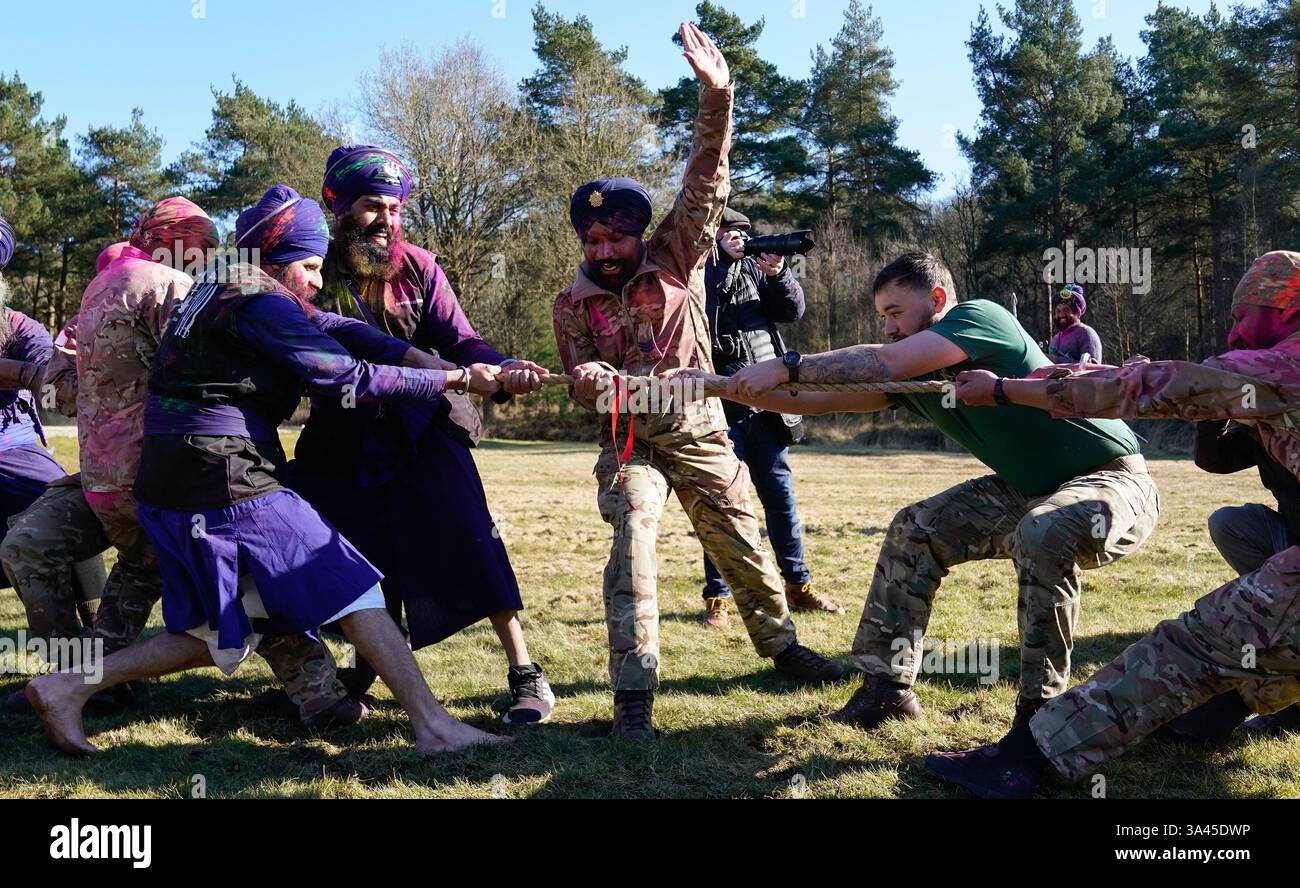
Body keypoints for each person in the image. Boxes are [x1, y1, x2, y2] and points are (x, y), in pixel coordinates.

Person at [24, 193, 510, 756]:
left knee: (225, 628)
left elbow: (327, 323)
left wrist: (417, 357)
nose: (316, 279)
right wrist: (452, 383)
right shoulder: (260, 302)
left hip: (175, 478)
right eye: (309, 266)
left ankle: (65, 685)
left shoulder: (223, 284)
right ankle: (434, 727)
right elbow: (347, 379)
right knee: (356, 586)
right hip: (225, 475)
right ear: (277, 261)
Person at [712, 250, 1160, 730]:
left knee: (1044, 530)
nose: (887, 328)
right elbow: (819, 401)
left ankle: (1040, 715)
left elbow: (883, 361)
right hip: (1029, 492)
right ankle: (886, 691)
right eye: (882, 316)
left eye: (895, 313)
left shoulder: (981, 317)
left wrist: (787, 364)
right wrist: (719, 386)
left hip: (1113, 479)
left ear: (938, 300)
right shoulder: (914, 374)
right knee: (915, 529)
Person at [553, 22, 841, 740]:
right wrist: (593, 379)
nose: (605, 249)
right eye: (593, 240)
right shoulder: (571, 303)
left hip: (700, 429)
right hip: (629, 443)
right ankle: (634, 696)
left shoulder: (677, 254)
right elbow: (579, 379)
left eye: (617, 236)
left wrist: (718, 97)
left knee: (742, 539)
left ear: (639, 235)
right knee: (633, 539)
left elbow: (706, 179)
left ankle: (782, 648)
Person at [923, 250, 1300, 798]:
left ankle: (1031, 754)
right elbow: (1163, 390)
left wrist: (1006, 389)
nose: (1236, 330)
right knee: (1256, 637)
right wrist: (1079, 375)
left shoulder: (1287, 366)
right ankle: (1224, 712)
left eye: (1245, 317)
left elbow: (1151, 387)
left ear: (1284, 309)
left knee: (1192, 644)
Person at [4, 197, 360, 727]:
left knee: (231, 581)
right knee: (31, 547)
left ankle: (319, 693)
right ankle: (76, 678)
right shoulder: (115, 286)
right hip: (110, 478)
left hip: (172, 477)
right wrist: (55, 367)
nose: (204, 255)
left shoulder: (180, 292)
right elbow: (69, 391)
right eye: (197, 243)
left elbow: (204, 371)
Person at [297, 144, 555, 725]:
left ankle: (524, 670)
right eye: (371, 206)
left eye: (393, 208)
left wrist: (502, 367)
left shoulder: (418, 266)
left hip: (421, 429)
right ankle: (360, 672)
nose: (385, 220)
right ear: (337, 207)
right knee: (349, 555)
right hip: (340, 436)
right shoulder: (311, 272)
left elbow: (461, 341)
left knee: (471, 537)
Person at [698, 205, 840, 627]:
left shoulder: (761, 271)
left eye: (743, 233)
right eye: (730, 233)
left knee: (780, 500)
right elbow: (703, 310)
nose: (739, 239)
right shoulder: (701, 272)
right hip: (720, 399)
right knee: (722, 502)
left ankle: (797, 585)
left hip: (769, 402)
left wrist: (778, 272)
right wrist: (721, 260)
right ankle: (718, 596)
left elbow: (792, 311)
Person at [0, 215, 106, 661]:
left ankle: (97, 645)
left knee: (56, 495)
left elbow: (48, 366)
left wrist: (59, 368)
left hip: (10, 444)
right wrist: (26, 374)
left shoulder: (20, 327)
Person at [1045, 284, 1102, 365]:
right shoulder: (1055, 339)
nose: (1061, 315)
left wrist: (1056, 360)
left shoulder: (1086, 334)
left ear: (1077, 312)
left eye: (1066, 310)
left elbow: (1093, 369)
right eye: (1058, 311)